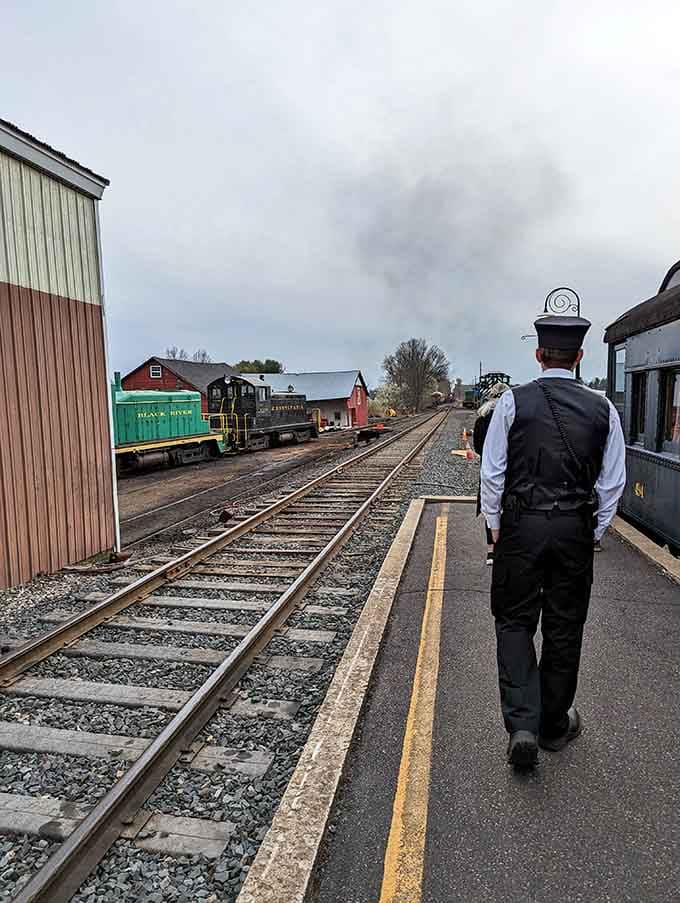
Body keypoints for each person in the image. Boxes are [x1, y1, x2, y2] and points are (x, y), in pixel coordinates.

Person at [480, 315, 626, 768]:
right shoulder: (604, 409)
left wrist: (496, 527)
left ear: (539, 355)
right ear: (579, 357)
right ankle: (553, 724)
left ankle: (522, 725)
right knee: (565, 626)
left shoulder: (511, 403)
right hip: (573, 532)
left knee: (514, 621)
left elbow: (493, 473)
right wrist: (593, 531)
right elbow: (612, 483)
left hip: (521, 528)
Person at [473, 382, 510, 566]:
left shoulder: (482, 417)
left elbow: (478, 447)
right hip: (511, 468)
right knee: (508, 506)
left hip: (487, 467)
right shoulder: (512, 415)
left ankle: (491, 551)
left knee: (490, 506)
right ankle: (506, 547)